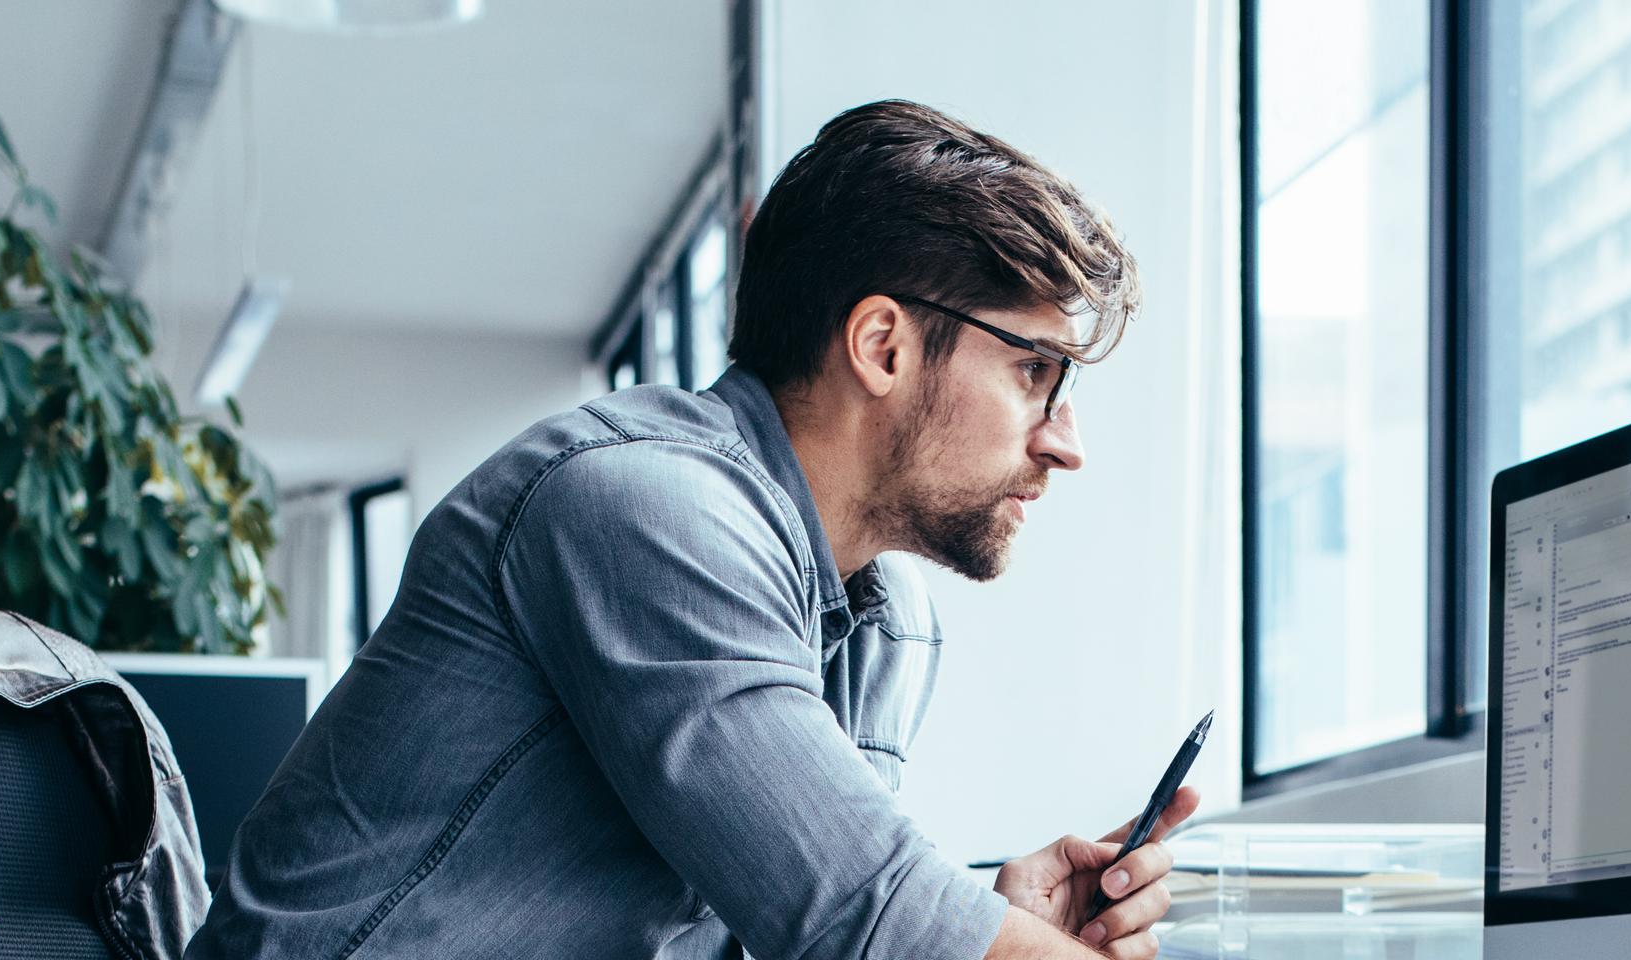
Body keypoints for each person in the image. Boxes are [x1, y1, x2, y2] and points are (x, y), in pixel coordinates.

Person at [183, 99, 1193, 960]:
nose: (1066, 445)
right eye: (1035, 372)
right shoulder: (643, 509)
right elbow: (860, 912)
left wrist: (997, 922)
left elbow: (830, 918)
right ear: (883, 346)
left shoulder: (883, 615)